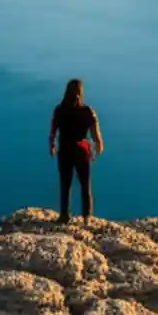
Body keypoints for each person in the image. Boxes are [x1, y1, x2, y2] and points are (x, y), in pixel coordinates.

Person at [48, 79, 104, 224]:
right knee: (85, 185)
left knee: (65, 184)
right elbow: (95, 133)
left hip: (65, 150)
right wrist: (98, 146)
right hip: (81, 151)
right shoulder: (87, 111)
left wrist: (52, 146)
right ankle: (87, 217)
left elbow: (53, 131)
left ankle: (64, 215)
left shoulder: (59, 110)